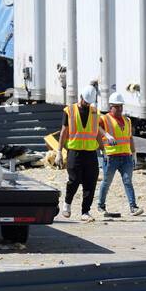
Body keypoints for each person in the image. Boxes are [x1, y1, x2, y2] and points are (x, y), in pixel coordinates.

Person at [57, 86, 101, 222]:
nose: (87, 104)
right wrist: (59, 151)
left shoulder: (95, 112)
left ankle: (85, 211)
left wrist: (104, 149)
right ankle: (67, 204)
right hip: (74, 152)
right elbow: (64, 131)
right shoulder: (69, 110)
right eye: (85, 102)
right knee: (74, 179)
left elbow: (97, 132)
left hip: (90, 152)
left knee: (91, 181)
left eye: (89, 102)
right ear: (81, 97)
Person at [97, 92, 143, 217]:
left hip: (126, 156)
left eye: (121, 106)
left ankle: (133, 207)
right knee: (107, 182)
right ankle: (101, 205)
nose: (119, 109)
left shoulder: (127, 120)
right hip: (111, 156)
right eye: (116, 106)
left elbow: (130, 137)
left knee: (128, 181)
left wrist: (134, 153)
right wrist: (106, 134)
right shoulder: (104, 119)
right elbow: (96, 128)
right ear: (110, 106)